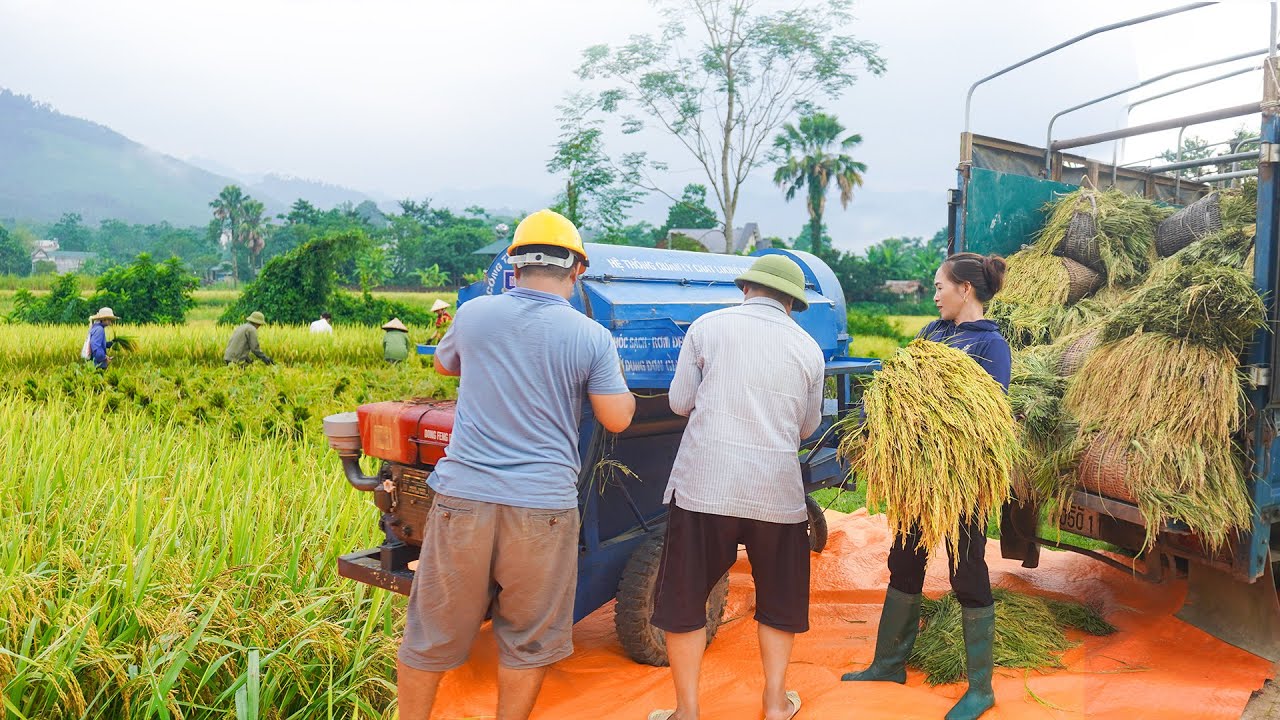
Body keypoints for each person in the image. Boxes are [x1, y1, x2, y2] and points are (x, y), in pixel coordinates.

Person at [397, 209, 636, 720]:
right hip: (542, 508)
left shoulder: (475, 315)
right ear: (577, 271)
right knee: (526, 640)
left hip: (463, 500)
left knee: (431, 632)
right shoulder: (590, 336)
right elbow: (615, 419)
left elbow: (445, 363)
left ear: (515, 267)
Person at [648, 255, 824, 720]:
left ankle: (687, 711)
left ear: (747, 288)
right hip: (776, 494)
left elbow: (680, 400)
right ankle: (773, 703)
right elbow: (807, 428)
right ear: (791, 303)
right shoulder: (808, 348)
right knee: (779, 600)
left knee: (685, 597)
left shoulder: (707, 327)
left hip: (707, 485)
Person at [841, 252, 1010, 720]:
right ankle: (889, 663)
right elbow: (895, 387)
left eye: (940, 286)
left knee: (966, 572)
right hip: (920, 483)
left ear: (966, 290)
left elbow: (986, 418)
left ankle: (981, 688)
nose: (934, 294)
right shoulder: (931, 334)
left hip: (961, 484)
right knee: (904, 561)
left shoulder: (990, 346)